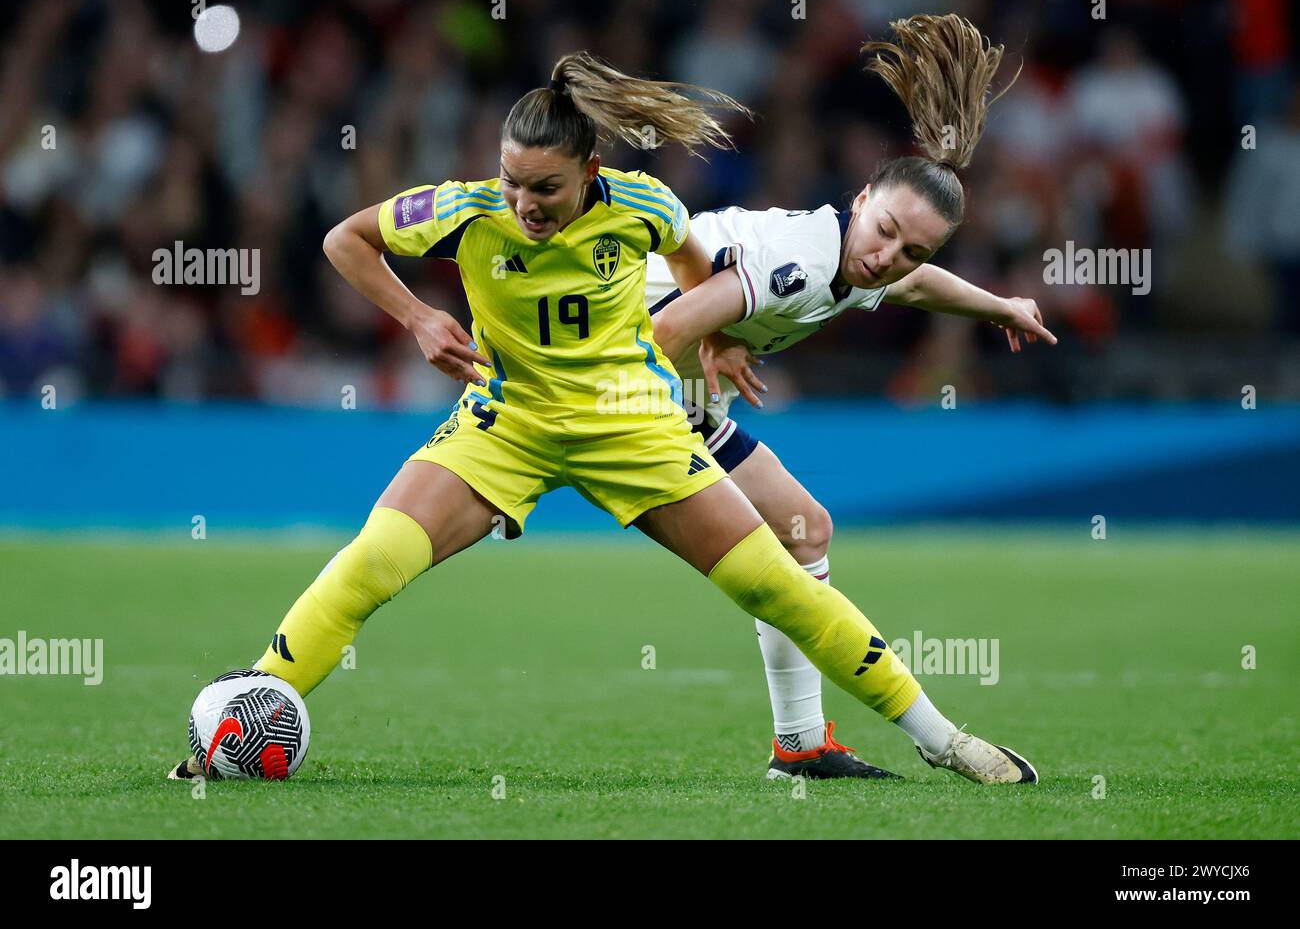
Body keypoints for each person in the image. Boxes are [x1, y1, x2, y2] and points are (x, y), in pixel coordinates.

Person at [171, 47, 1035, 786]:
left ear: (588, 174)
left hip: (631, 421)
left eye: (542, 187)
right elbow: (344, 239)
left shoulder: (643, 207)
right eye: (511, 181)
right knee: (371, 562)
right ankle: (238, 725)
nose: (522, 204)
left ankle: (943, 741)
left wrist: (718, 335)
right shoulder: (464, 207)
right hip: (505, 420)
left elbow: (699, 264)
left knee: (780, 577)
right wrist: (420, 317)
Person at [646, 14, 1054, 780]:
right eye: (888, 231)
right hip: (618, 386)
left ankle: (801, 749)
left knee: (804, 535)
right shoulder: (803, 260)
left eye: (912, 247)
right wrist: (703, 345)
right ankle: (937, 739)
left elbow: (915, 283)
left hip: (681, 402)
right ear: (861, 197)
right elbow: (667, 324)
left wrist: (999, 305)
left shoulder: (857, 256)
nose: (889, 256)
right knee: (771, 569)